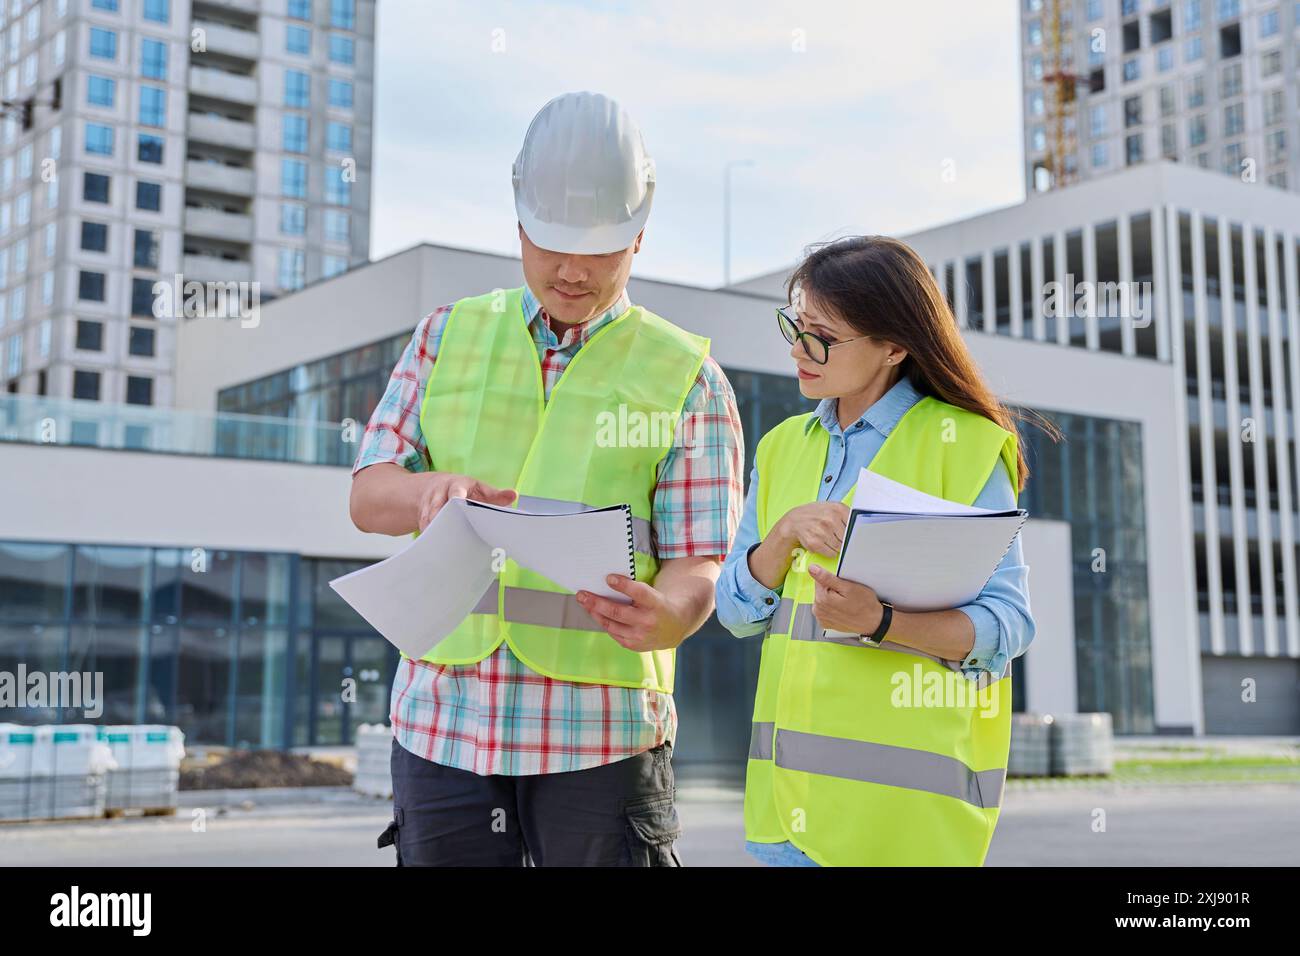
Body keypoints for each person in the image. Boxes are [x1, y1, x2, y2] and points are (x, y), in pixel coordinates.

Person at [349, 91, 744, 866]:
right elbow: (369, 494)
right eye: (551, 242)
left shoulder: (688, 378)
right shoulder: (447, 334)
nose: (570, 270)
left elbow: (703, 557)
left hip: (598, 730)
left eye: (599, 247)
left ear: (639, 237)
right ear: (519, 223)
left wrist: (673, 615)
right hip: (445, 722)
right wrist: (428, 493)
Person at [716, 235, 1052, 867]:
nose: (798, 349)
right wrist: (782, 534)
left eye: (822, 335)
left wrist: (881, 623)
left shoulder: (966, 446)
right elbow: (735, 612)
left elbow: (1008, 627)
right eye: (796, 326)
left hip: (906, 829)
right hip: (784, 819)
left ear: (895, 346)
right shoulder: (782, 446)